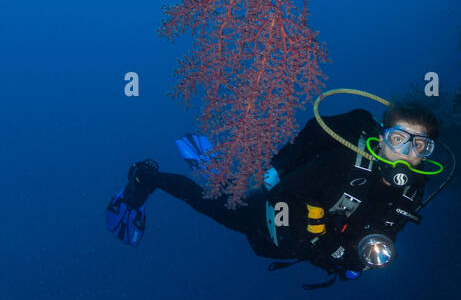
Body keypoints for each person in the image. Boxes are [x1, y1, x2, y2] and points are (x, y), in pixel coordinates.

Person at [107, 99, 443, 286]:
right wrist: (313, 232)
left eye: (420, 145)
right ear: (381, 138)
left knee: (225, 193)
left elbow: (384, 230)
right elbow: (285, 193)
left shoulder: (415, 187)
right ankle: (147, 178)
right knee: (212, 205)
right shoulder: (344, 161)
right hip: (268, 223)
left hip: (312, 247)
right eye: (399, 139)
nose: (407, 153)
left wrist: (363, 254)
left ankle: (218, 173)